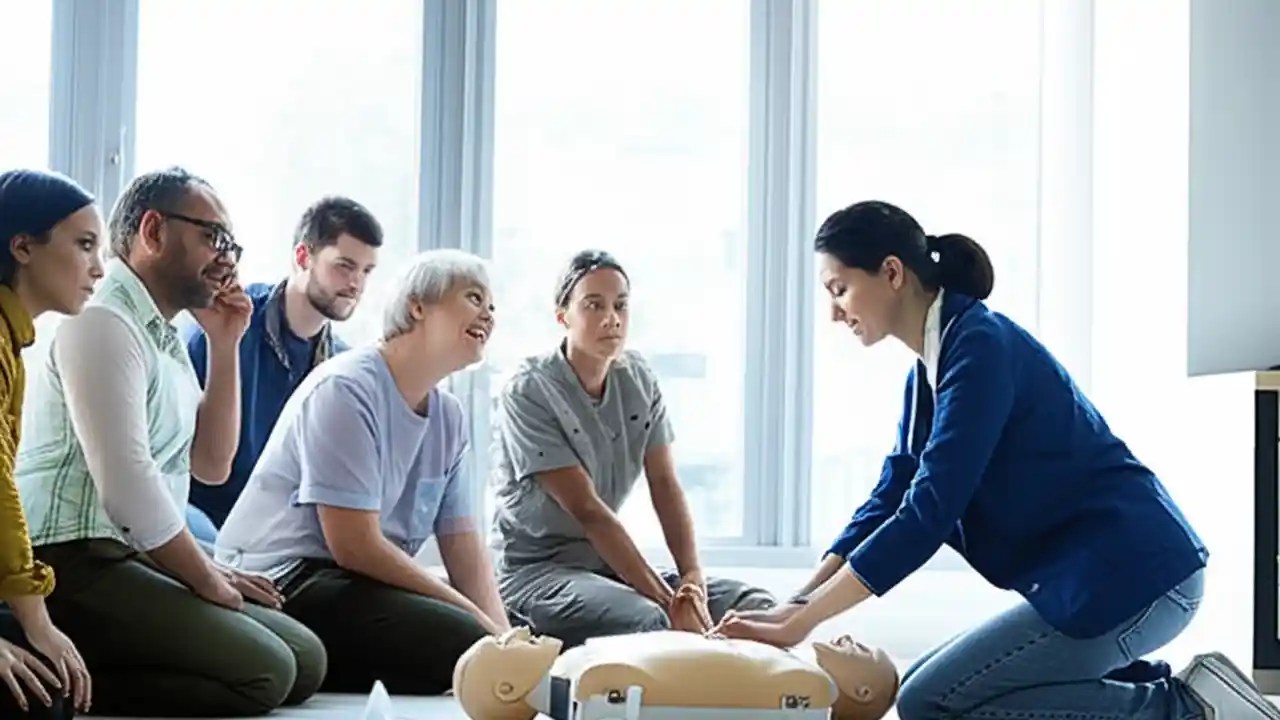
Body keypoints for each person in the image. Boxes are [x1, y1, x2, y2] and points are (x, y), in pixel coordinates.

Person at [715, 199, 1273, 719]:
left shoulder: (980, 348)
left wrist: (805, 621)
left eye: (839, 288)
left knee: (931, 702)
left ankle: (1188, 711)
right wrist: (798, 601)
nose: (835, 313)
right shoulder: (931, 371)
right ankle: (1156, 691)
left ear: (891, 273)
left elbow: (928, 511)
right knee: (922, 692)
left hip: (1140, 578)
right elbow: (891, 497)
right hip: (1091, 582)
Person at [16, 167, 327, 717]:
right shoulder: (102, 323)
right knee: (267, 673)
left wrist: (225, 343)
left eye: (230, 242)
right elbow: (128, 491)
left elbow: (211, 465)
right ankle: (55, 679)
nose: (226, 258)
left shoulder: (162, 336)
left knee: (305, 658)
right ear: (153, 231)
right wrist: (204, 576)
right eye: (213, 236)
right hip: (75, 557)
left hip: (129, 554)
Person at [215, 248, 509, 695]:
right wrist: (481, 629)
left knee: (474, 643)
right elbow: (355, 545)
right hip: (286, 579)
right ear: (418, 306)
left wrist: (506, 643)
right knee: (460, 640)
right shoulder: (348, 388)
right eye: (474, 297)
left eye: (491, 305)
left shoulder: (449, 418)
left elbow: (464, 547)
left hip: (353, 582)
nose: (488, 313)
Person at [491, 250, 776, 649]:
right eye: (594, 305)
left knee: (758, 608)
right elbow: (589, 512)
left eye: (621, 305)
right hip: (537, 573)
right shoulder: (529, 391)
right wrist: (666, 600)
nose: (613, 318)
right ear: (563, 316)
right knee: (650, 620)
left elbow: (664, 482)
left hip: (606, 568)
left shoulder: (637, 378)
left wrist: (692, 580)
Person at [184, 196, 382, 546]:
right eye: (344, 266)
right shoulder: (224, 325)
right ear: (303, 257)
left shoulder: (341, 367)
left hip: (284, 541)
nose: (356, 284)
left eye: (366, 271)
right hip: (200, 526)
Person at [0, 169, 104, 719]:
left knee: (54, 685)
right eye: (84, 245)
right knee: (42, 698)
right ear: (23, 247)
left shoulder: (10, 342)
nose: (98, 268)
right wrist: (34, 619)